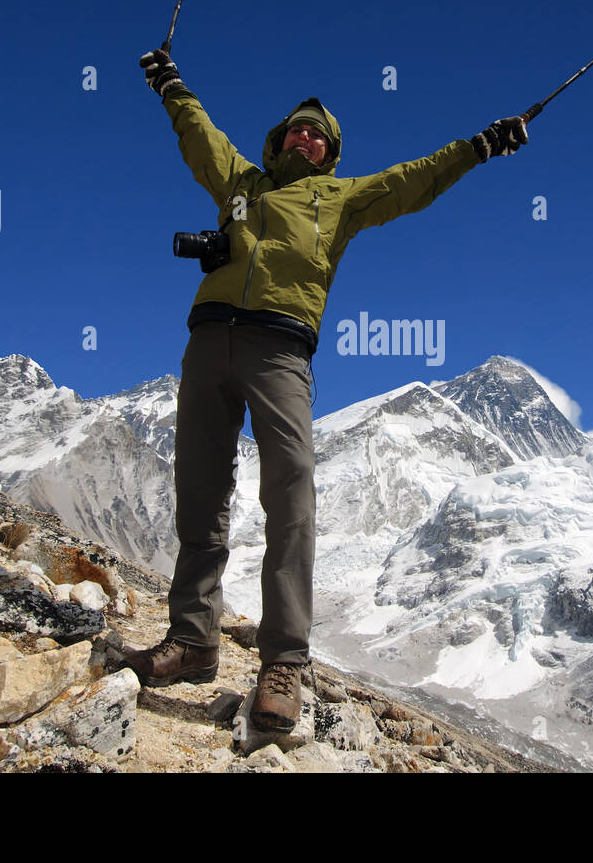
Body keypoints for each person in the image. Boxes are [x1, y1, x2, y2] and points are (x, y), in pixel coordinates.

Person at [120, 46, 528, 732]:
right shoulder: (241, 182)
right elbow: (199, 134)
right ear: (278, 139)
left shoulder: (341, 199)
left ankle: (283, 661)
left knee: (291, 492)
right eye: (296, 129)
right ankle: (192, 639)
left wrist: (480, 146)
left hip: (281, 349)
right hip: (207, 339)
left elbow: (414, 179)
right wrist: (170, 82)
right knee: (198, 490)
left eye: (319, 134)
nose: (306, 137)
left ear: (330, 154)